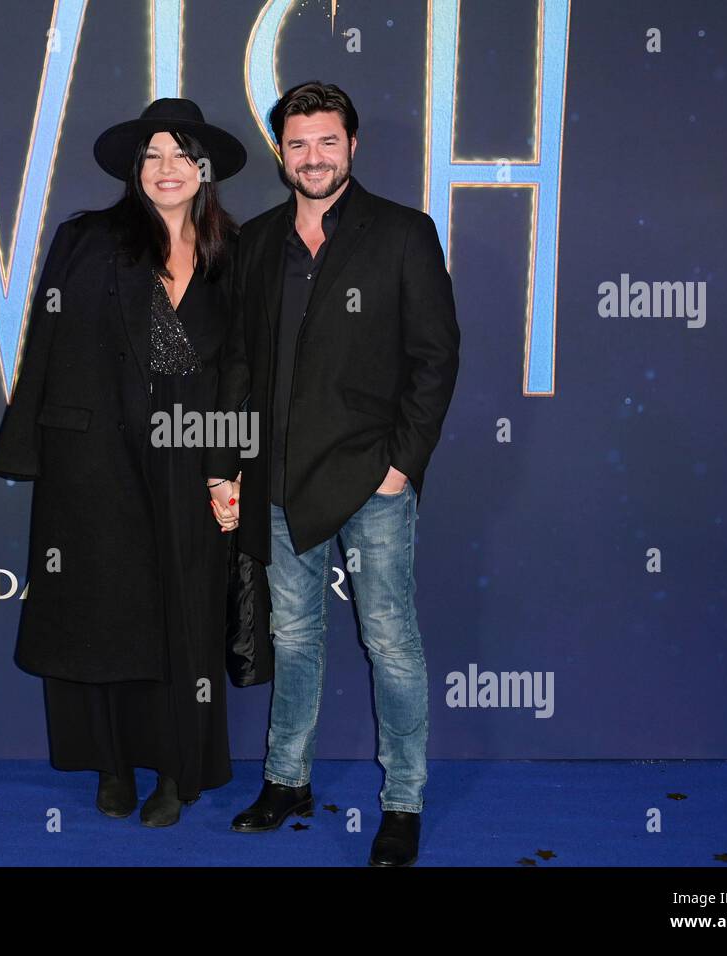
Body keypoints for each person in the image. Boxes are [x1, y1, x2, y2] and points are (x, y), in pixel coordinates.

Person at [205, 82, 460, 865]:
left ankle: (405, 801)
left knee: (391, 642)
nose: (312, 156)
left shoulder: (403, 234)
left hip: (371, 484)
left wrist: (401, 467)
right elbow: (239, 365)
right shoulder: (256, 243)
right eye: (297, 143)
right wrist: (226, 467)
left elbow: (435, 358)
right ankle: (286, 780)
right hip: (279, 483)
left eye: (326, 141)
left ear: (352, 145)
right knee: (295, 638)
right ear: (280, 151)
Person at [0, 98, 247, 827]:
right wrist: (41, 446)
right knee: (98, 620)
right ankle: (109, 765)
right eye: (152, 156)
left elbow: (239, 368)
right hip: (95, 462)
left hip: (187, 455)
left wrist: (226, 465)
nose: (166, 169)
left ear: (204, 169)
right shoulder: (91, 238)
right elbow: (47, 344)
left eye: (180, 155)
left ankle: (174, 769)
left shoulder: (234, 251)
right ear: (136, 169)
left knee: (180, 620)